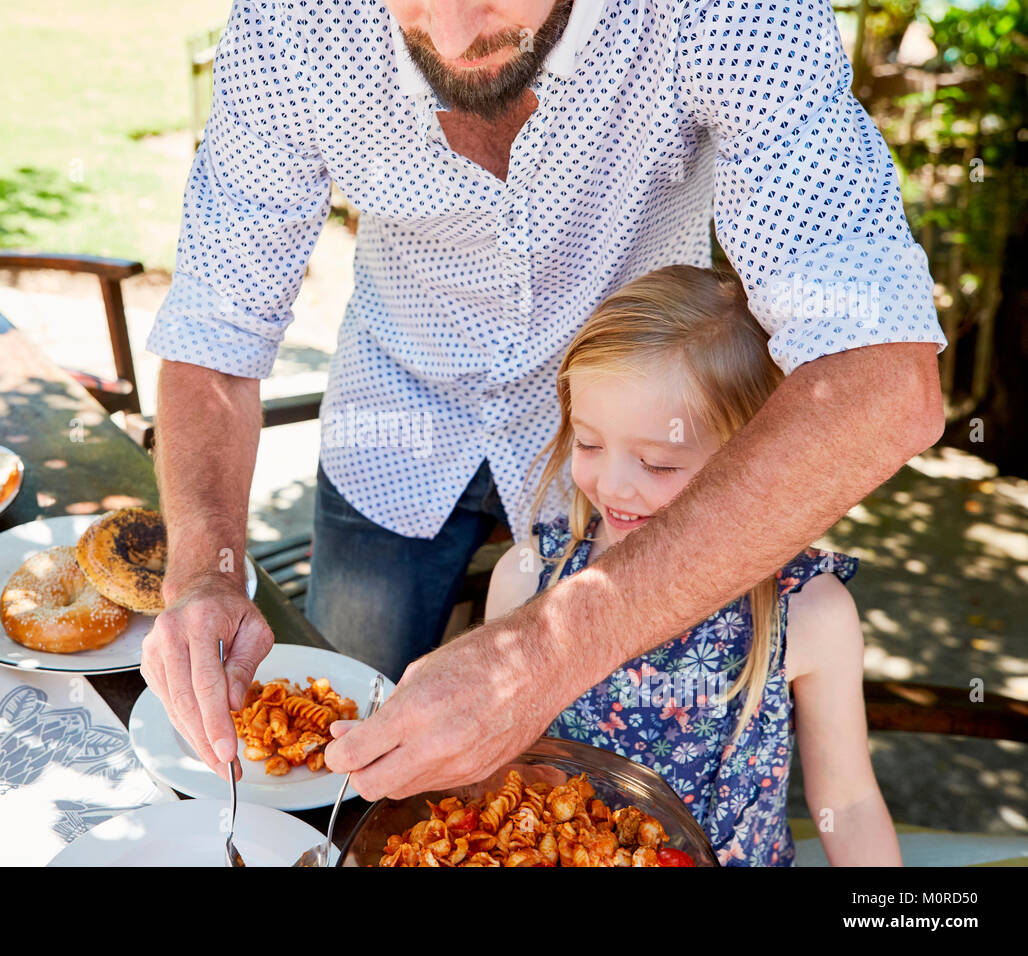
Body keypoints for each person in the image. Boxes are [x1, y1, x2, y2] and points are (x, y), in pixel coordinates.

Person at [142, 0, 947, 795]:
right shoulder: (290, 21)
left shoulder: (728, 11)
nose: (451, 39)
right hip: (392, 422)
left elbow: (882, 380)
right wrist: (205, 569)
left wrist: (544, 651)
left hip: (615, 437)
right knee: (326, 764)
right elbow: (217, 329)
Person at [483, 265, 902, 865]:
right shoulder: (529, 579)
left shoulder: (809, 611)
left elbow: (850, 801)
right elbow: (499, 781)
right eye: (589, 443)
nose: (613, 485)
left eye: (658, 463)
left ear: (754, 461)